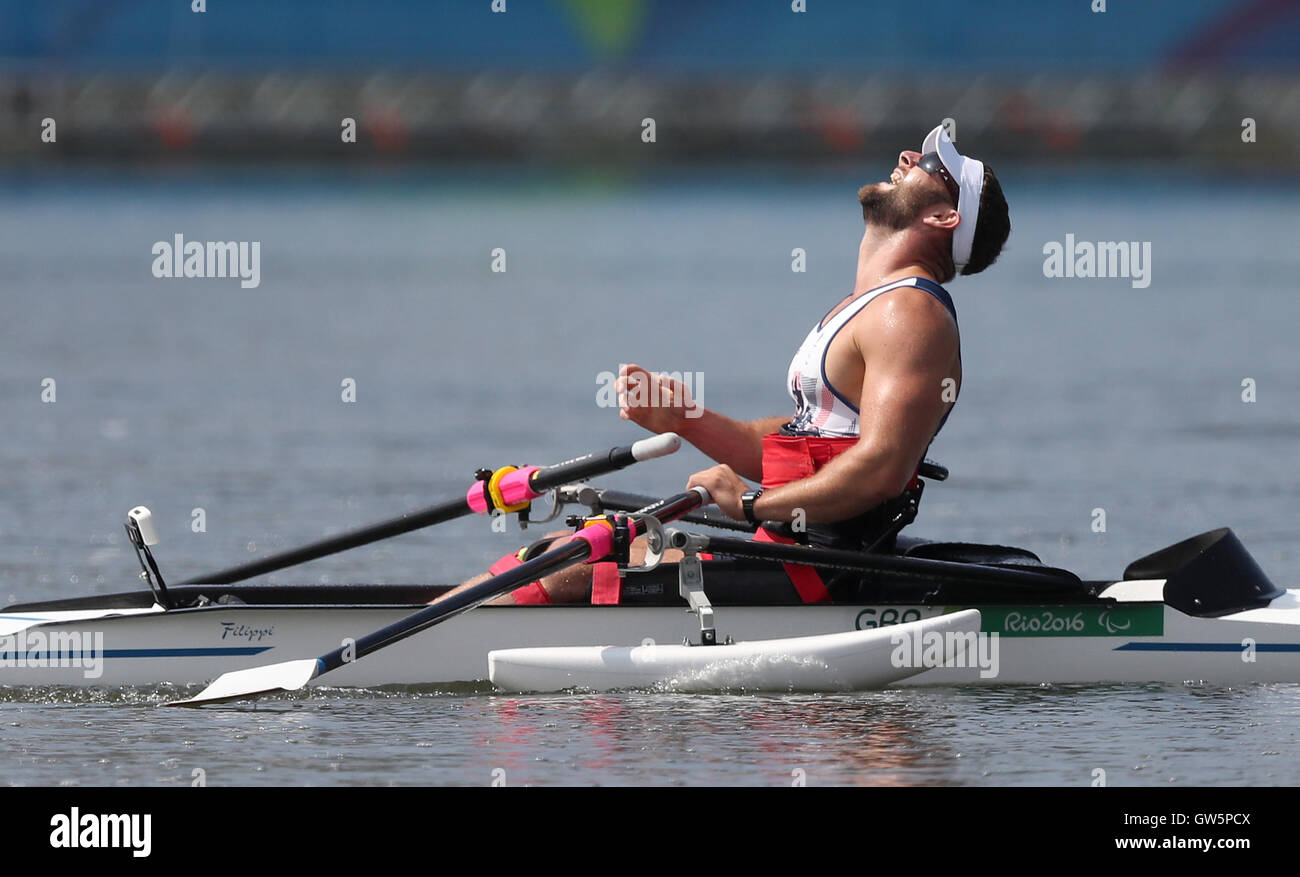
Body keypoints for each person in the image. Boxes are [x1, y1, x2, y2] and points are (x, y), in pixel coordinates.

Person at [440, 124, 1010, 606]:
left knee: (570, 566)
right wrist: (686, 418)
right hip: (789, 546)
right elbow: (803, 449)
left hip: (822, 568)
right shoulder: (873, 307)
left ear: (943, 216)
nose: (909, 157)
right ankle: (430, 630)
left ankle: (417, 652)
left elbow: (883, 468)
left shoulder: (910, 312)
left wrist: (751, 503)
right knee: (567, 548)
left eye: (931, 165)